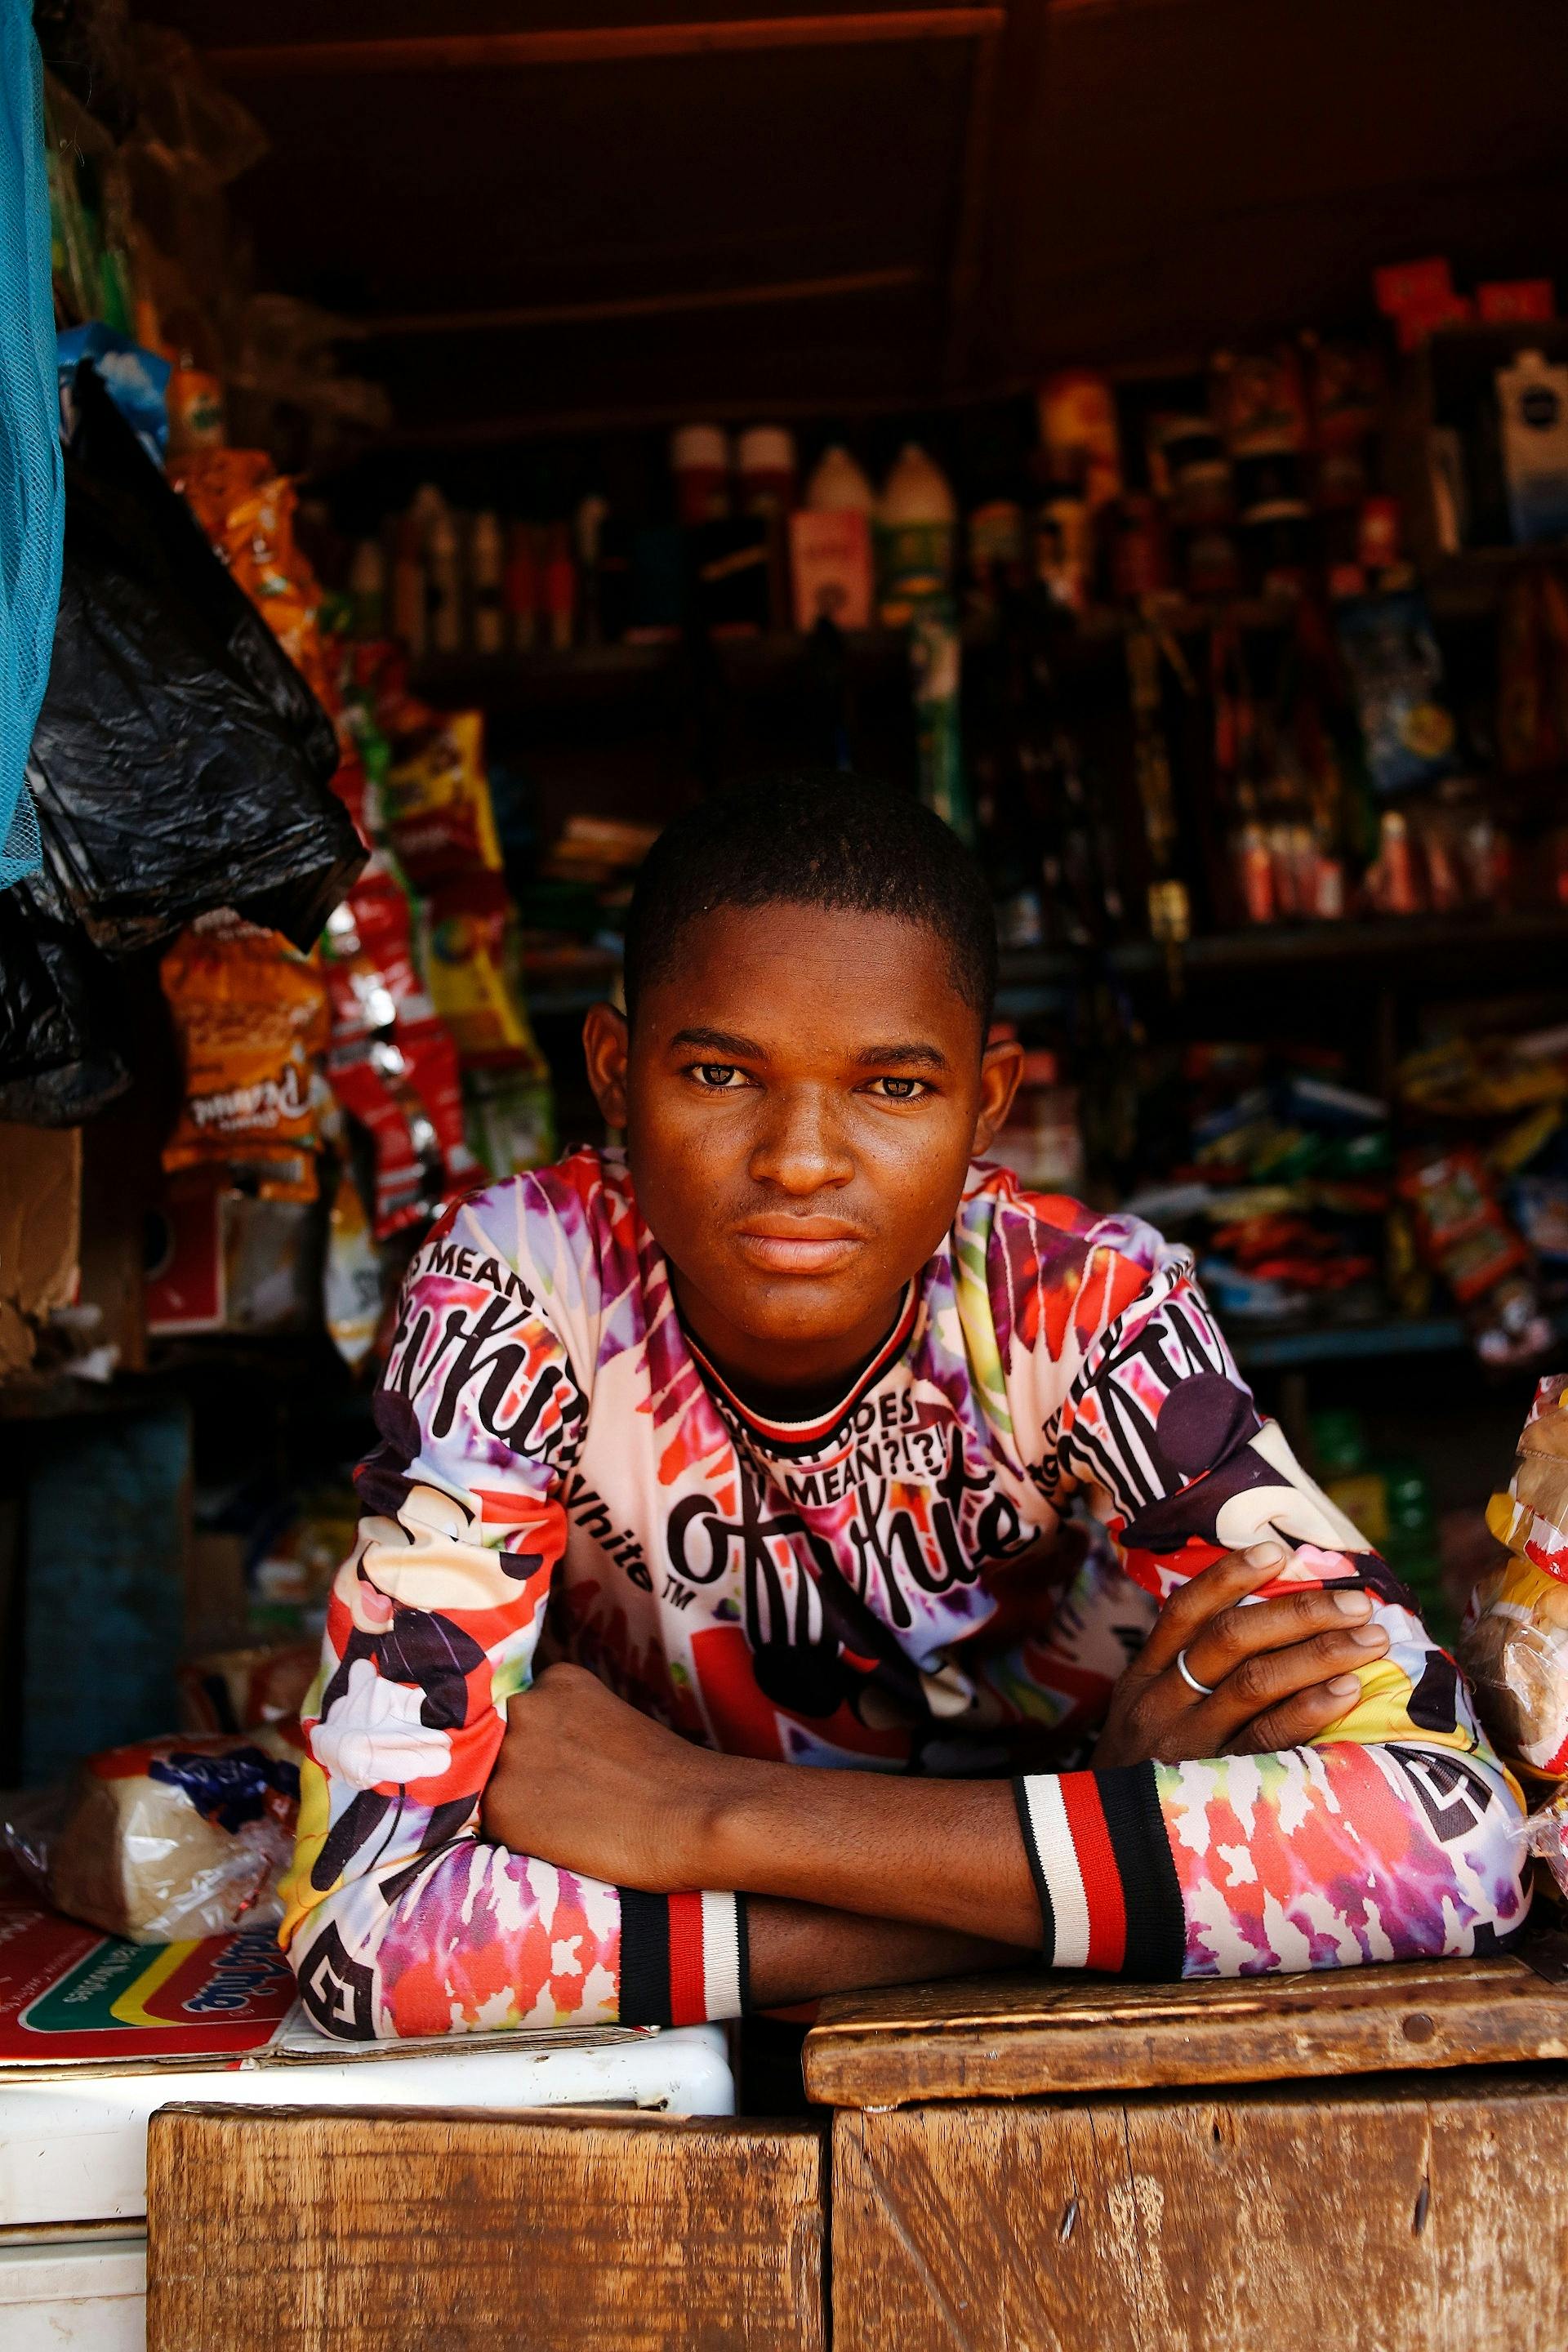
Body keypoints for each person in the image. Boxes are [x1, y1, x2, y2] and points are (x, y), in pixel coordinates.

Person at [280, 773, 1527, 2041]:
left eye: (892, 1088)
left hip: (734, 1952)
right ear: (614, 1071)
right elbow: (366, 1939)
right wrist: (1087, 1848)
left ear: (988, 1101)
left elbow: (1453, 1839)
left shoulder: (1081, 1304)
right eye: (720, 1074)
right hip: (689, 2078)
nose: (801, 1160)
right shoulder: (521, 1280)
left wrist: (707, 1814)